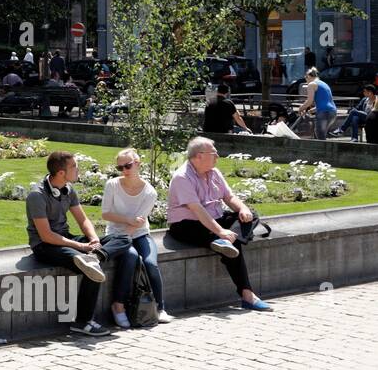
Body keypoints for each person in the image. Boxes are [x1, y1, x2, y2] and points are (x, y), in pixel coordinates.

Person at [166, 137, 272, 311]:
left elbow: (229, 197)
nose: (218, 156)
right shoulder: (182, 177)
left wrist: (242, 208)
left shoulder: (214, 172)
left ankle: (223, 242)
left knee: (250, 215)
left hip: (214, 219)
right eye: (214, 153)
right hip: (187, 224)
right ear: (199, 156)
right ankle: (247, 295)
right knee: (234, 239)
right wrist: (221, 231)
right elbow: (197, 210)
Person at [26, 151, 112, 336]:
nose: (78, 168)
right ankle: (83, 322)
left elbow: (83, 220)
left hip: (66, 239)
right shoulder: (37, 195)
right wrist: (81, 247)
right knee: (90, 267)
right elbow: (46, 235)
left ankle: (94, 256)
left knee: (122, 239)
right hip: (45, 246)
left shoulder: (68, 189)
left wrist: (94, 239)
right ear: (61, 173)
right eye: (73, 166)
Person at [99, 148, 174, 328]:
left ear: (138, 164)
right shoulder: (112, 185)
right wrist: (125, 223)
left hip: (140, 233)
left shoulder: (149, 192)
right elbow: (106, 214)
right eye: (120, 167)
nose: (125, 170)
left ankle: (160, 306)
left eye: (128, 165)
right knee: (130, 256)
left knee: (150, 263)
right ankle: (118, 305)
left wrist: (129, 230)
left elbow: (139, 222)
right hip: (115, 234)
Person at [299, 67, 338, 139]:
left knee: (320, 136)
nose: (306, 81)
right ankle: (323, 149)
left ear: (309, 76)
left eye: (306, 78)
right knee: (321, 135)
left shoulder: (311, 84)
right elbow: (325, 102)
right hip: (333, 112)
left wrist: (301, 108)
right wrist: (311, 110)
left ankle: (323, 150)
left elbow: (309, 101)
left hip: (324, 113)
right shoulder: (324, 84)